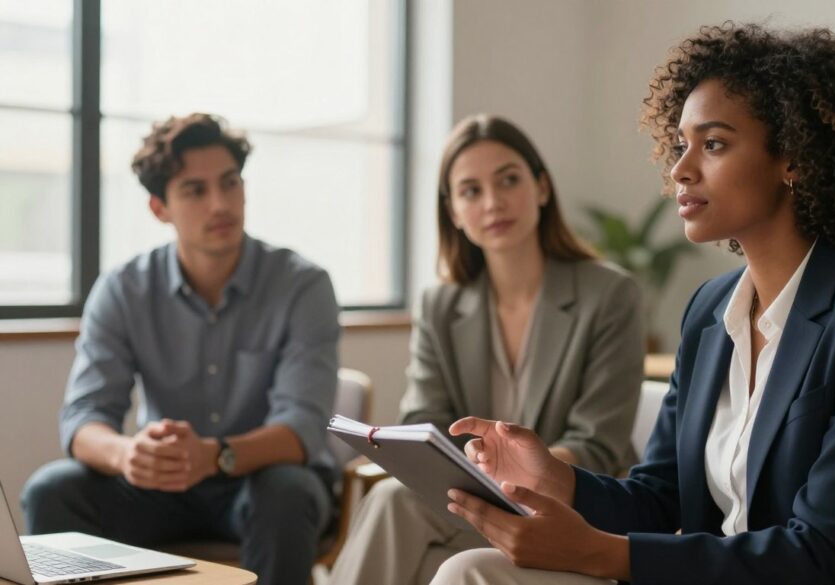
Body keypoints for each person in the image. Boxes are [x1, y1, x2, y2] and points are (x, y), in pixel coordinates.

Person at [434, 23, 835, 585]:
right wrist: (556, 479)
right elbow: (664, 498)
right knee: (472, 570)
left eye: (712, 144)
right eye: (681, 144)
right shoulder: (711, 311)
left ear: (794, 158)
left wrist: (598, 553)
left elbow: (824, 556)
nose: (680, 169)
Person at [21, 113, 340, 585]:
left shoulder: (302, 285)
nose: (220, 204)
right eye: (195, 190)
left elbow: (301, 429)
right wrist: (128, 454)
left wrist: (212, 455)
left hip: (260, 484)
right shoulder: (123, 289)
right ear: (159, 208)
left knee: (287, 491)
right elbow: (84, 418)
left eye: (230, 183)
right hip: (159, 488)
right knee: (51, 489)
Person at [329, 114, 645, 585]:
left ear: (541, 188)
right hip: (471, 500)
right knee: (393, 501)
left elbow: (598, 444)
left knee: (396, 508)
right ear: (454, 211)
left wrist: (518, 474)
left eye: (509, 180)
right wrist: (480, 475)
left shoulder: (610, 294)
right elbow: (424, 423)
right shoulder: (441, 304)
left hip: (568, 511)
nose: (493, 202)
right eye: (471, 191)